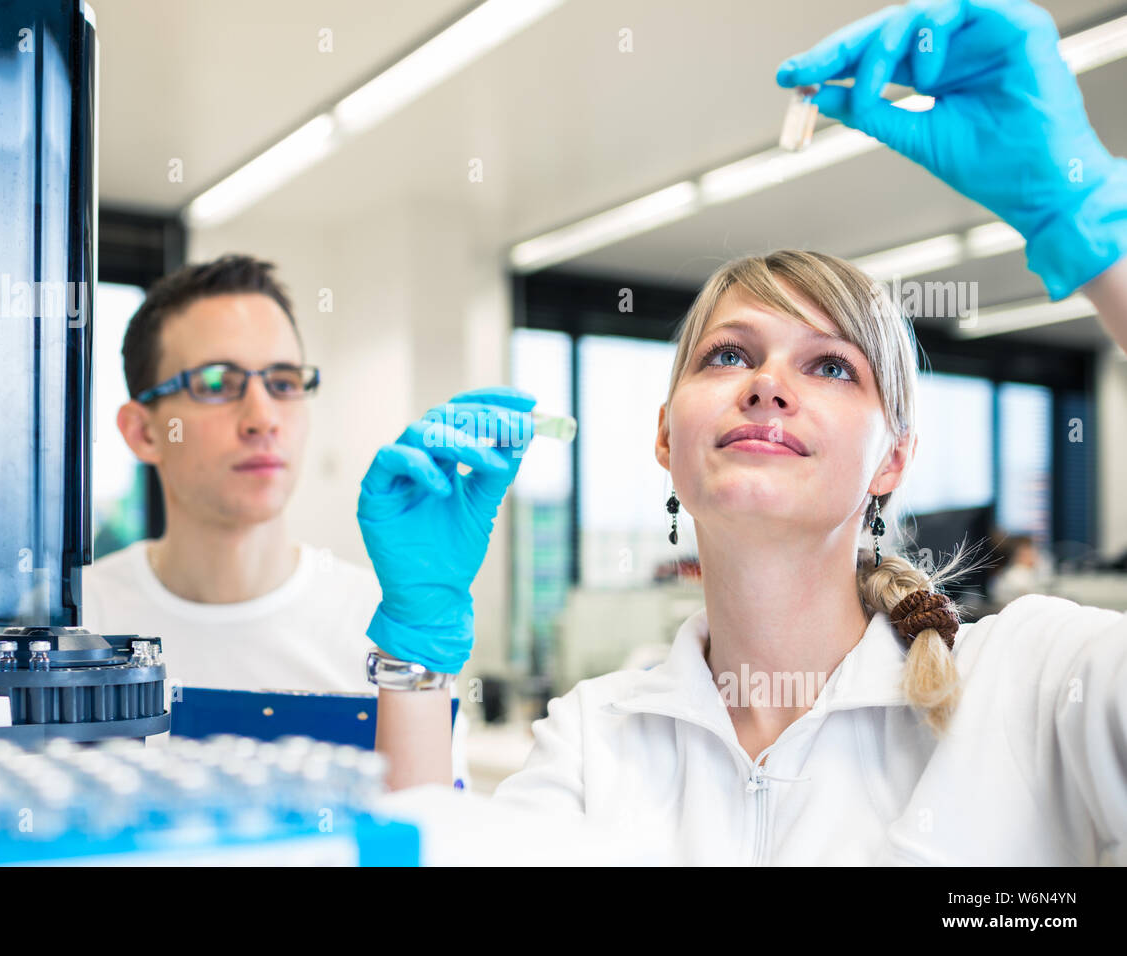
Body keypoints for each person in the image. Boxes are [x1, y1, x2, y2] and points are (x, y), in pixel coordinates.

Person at [357, 0, 1127, 863]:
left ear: (892, 460)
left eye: (831, 366)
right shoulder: (596, 739)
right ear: (664, 439)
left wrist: (1092, 220)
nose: (766, 383)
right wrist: (417, 659)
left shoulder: (1029, 684)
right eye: (728, 356)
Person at [82, 255, 468, 782]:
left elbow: (431, 843)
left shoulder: (390, 632)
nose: (262, 418)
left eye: (283, 383)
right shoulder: (78, 627)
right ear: (144, 432)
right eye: (216, 384)